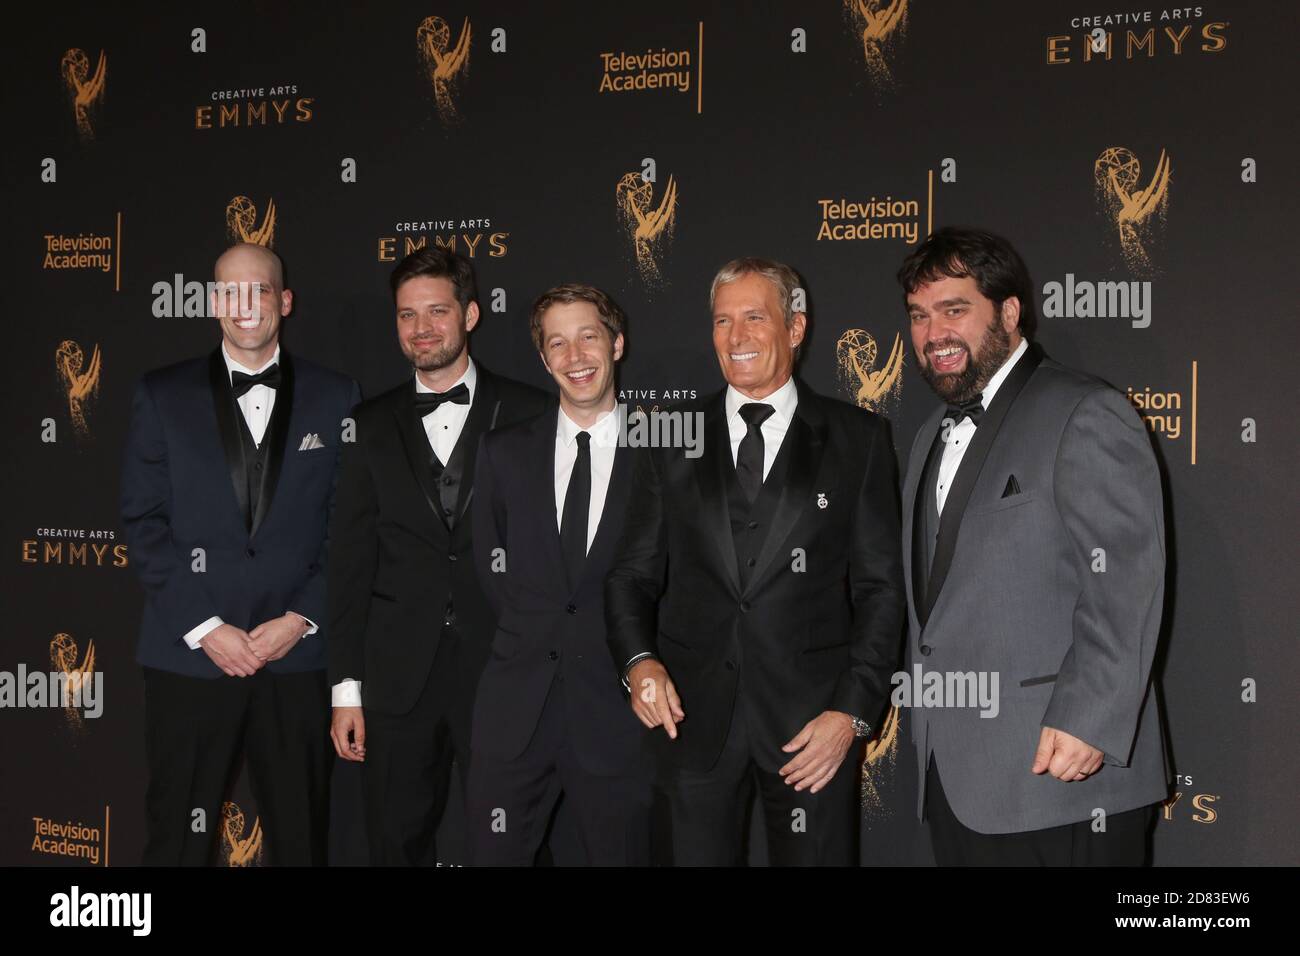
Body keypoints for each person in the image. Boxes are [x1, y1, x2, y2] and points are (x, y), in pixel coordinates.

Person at [605, 257, 905, 865]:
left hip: (811, 732)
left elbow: (881, 590)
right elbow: (632, 574)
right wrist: (639, 663)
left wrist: (851, 712)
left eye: (753, 318)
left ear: (795, 328)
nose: (736, 338)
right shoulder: (671, 434)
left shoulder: (859, 438)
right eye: (721, 321)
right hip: (688, 725)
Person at [897, 226, 1169, 865]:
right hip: (957, 778)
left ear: (1010, 312)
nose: (934, 332)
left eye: (955, 309)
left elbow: (1126, 580)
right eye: (919, 315)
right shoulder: (928, 438)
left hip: (1064, 775)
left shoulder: (1084, 411)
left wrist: (1090, 718)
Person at [122, 243, 359, 865]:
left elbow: (351, 527)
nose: (243, 304)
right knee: (176, 836)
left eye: (258, 290)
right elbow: (144, 522)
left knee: (301, 836)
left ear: (284, 301)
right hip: (191, 661)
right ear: (211, 303)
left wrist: (300, 620)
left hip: (295, 659)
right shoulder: (161, 394)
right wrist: (206, 629)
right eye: (229, 291)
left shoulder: (337, 397)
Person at [327, 247, 551, 865]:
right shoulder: (365, 425)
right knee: (395, 842)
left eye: (436, 311)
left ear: (471, 315)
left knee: (513, 843)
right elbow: (349, 562)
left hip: (504, 671)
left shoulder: (531, 411)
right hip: (397, 677)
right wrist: (346, 689)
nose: (421, 328)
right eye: (406, 315)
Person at [466, 283, 652, 865]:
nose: (576, 357)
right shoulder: (503, 451)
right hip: (514, 713)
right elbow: (492, 566)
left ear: (617, 344)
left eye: (588, 337)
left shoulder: (664, 451)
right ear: (544, 359)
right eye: (558, 344)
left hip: (618, 714)